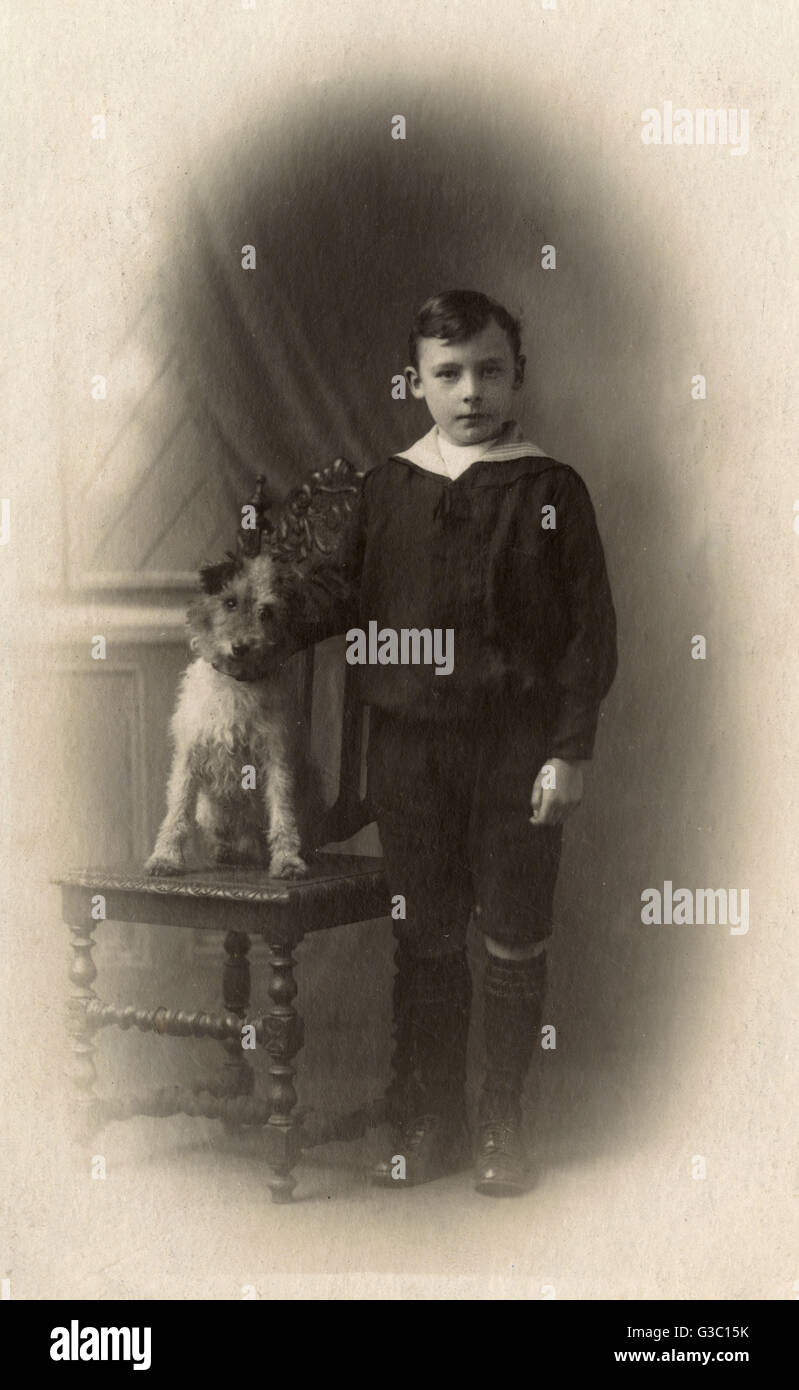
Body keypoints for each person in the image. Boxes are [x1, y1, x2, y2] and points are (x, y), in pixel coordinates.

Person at [280, 289, 617, 1196]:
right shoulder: (386, 490)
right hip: (410, 758)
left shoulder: (550, 491)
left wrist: (569, 751)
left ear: (517, 377)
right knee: (426, 937)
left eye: (489, 371)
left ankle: (502, 1116)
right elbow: (339, 594)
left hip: (516, 755)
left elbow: (588, 635)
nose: (470, 391)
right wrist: (259, 627)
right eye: (449, 373)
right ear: (417, 382)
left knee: (511, 935)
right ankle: (439, 1119)